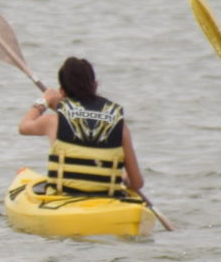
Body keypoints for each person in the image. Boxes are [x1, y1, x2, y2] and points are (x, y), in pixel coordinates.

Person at [17, 56, 145, 200]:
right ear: (95, 85)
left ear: (62, 92)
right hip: (107, 203)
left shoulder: (54, 121)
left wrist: (44, 100)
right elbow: (137, 183)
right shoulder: (119, 125)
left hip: (63, 202)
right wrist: (124, 179)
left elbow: (24, 126)